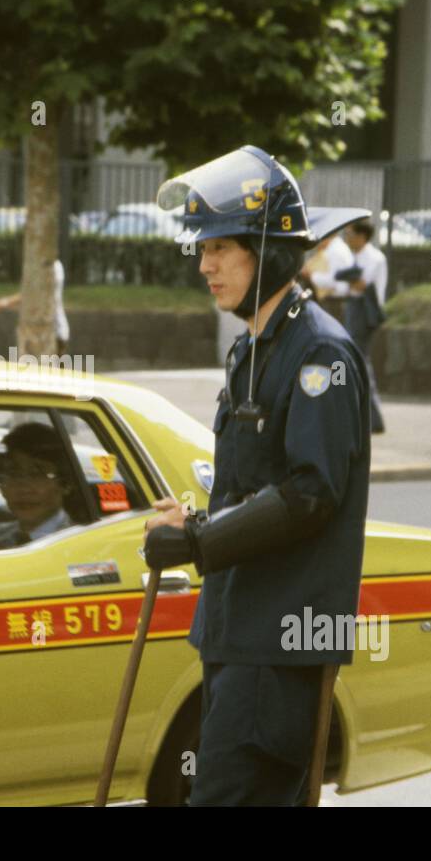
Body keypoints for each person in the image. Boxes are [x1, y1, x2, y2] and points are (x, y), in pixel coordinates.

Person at [143, 144, 372, 806]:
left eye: (221, 247)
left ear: (267, 251)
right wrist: (194, 523)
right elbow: (251, 486)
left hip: (278, 647)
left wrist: (198, 541)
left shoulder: (318, 352)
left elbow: (310, 494)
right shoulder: (254, 346)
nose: (204, 264)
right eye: (201, 248)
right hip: (241, 633)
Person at [335, 220, 387, 434]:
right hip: (354, 308)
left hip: (365, 312)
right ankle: (362, 415)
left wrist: (346, 278)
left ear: (362, 236)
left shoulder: (374, 257)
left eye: (350, 234)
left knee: (360, 362)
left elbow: (359, 283)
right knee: (354, 361)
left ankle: (373, 418)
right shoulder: (355, 257)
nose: (347, 239)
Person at [0, 422, 75, 547]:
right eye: (14, 474)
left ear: (65, 483)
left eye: (37, 474)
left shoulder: (78, 541)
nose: (24, 488)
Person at [0, 259, 70, 356]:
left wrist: (3, 303)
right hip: (42, 334)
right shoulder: (42, 264)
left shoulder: (53, 267)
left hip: (54, 333)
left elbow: (36, 294)